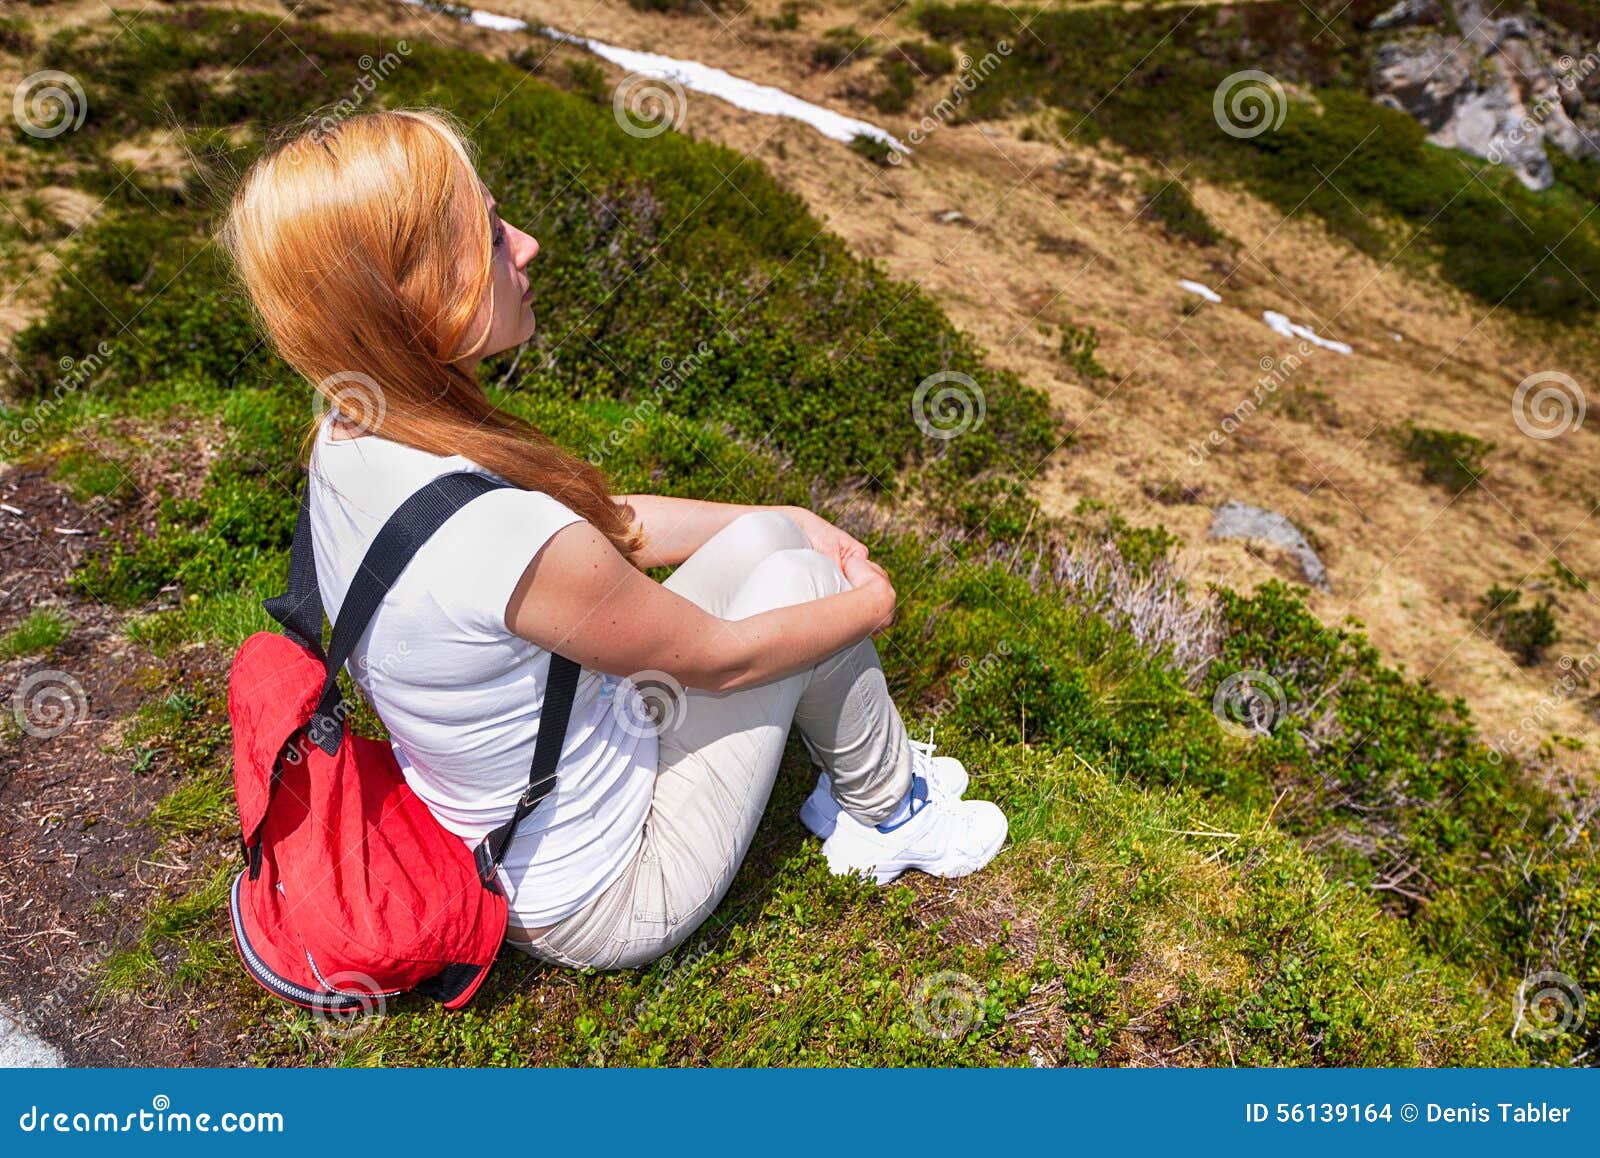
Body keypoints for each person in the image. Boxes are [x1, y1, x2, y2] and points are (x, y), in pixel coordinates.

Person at [221, 107, 1007, 971]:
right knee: (812, 587)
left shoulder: (351, 430)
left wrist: (786, 517)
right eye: (492, 235)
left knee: (775, 543)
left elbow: (599, 530)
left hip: (507, 815)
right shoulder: (497, 532)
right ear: (412, 289)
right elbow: (723, 661)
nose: (526, 247)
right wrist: (872, 604)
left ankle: (864, 774)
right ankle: (892, 813)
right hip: (602, 898)